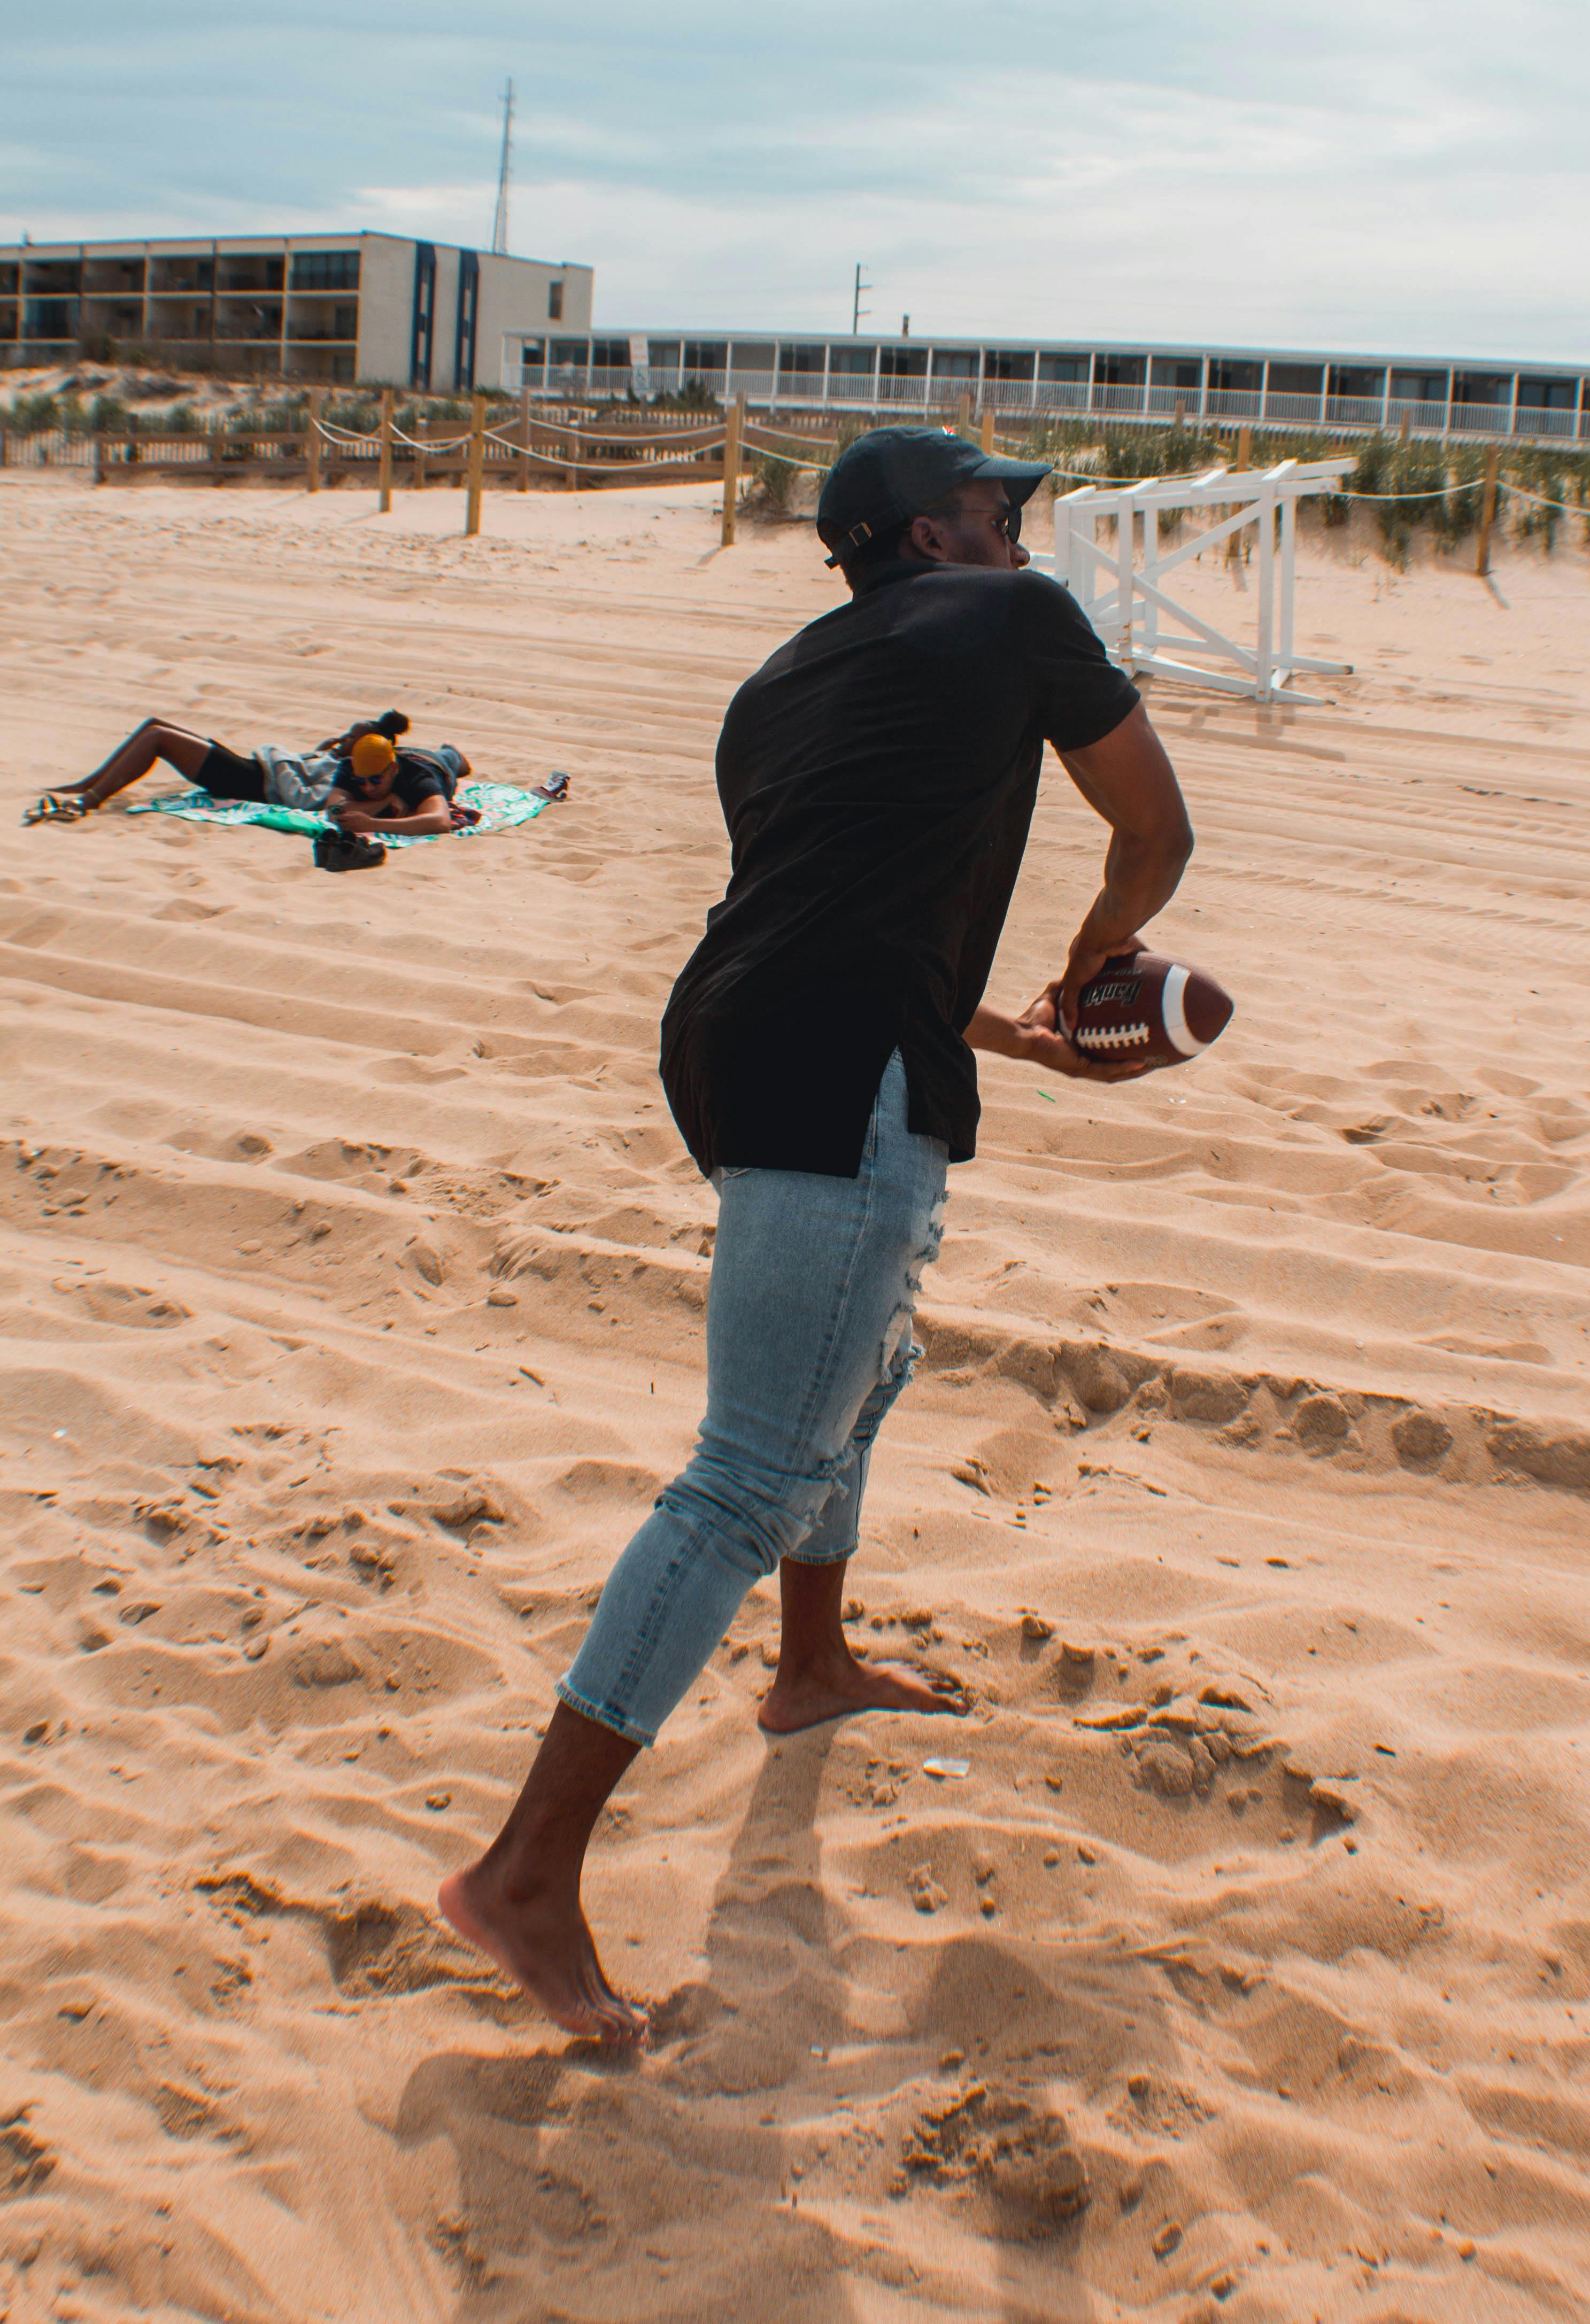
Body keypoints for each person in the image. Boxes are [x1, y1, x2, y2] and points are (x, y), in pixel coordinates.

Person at [440, 425, 1194, 2044]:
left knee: (869, 1360)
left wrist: (1007, 1034)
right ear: (934, 535)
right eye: (1003, 507)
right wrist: (1100, 960)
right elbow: (1157, 833)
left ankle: (813, 1665)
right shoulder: (1018, 614)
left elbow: (829, 914)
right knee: (746, 1475)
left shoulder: (776, 684)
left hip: (731, 1036)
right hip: (830, 1057)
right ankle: (521, 1876)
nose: (1022, 528)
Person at [27, 708, 421, 822]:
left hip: (250, 781)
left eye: (351, 736)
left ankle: (91, 798)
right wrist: (327, 749)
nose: (343, 737)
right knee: (154, 725)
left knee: (158, 739)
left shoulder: (347, 774)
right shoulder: (336, 759)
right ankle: (88, 784)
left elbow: (306, 799)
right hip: (248, 769)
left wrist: (321, 758)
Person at [322, 731, 473, 838]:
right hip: (400, 754)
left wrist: (371, 824)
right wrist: (385, 801)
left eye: (376, 780)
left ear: (393, 770)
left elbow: (441, 822)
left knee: (452, 758)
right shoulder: (350, 768)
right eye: (361, 781)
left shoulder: (418, 778)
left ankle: (450, 748)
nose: (369, 788)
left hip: (434, 764)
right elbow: (334, 811)